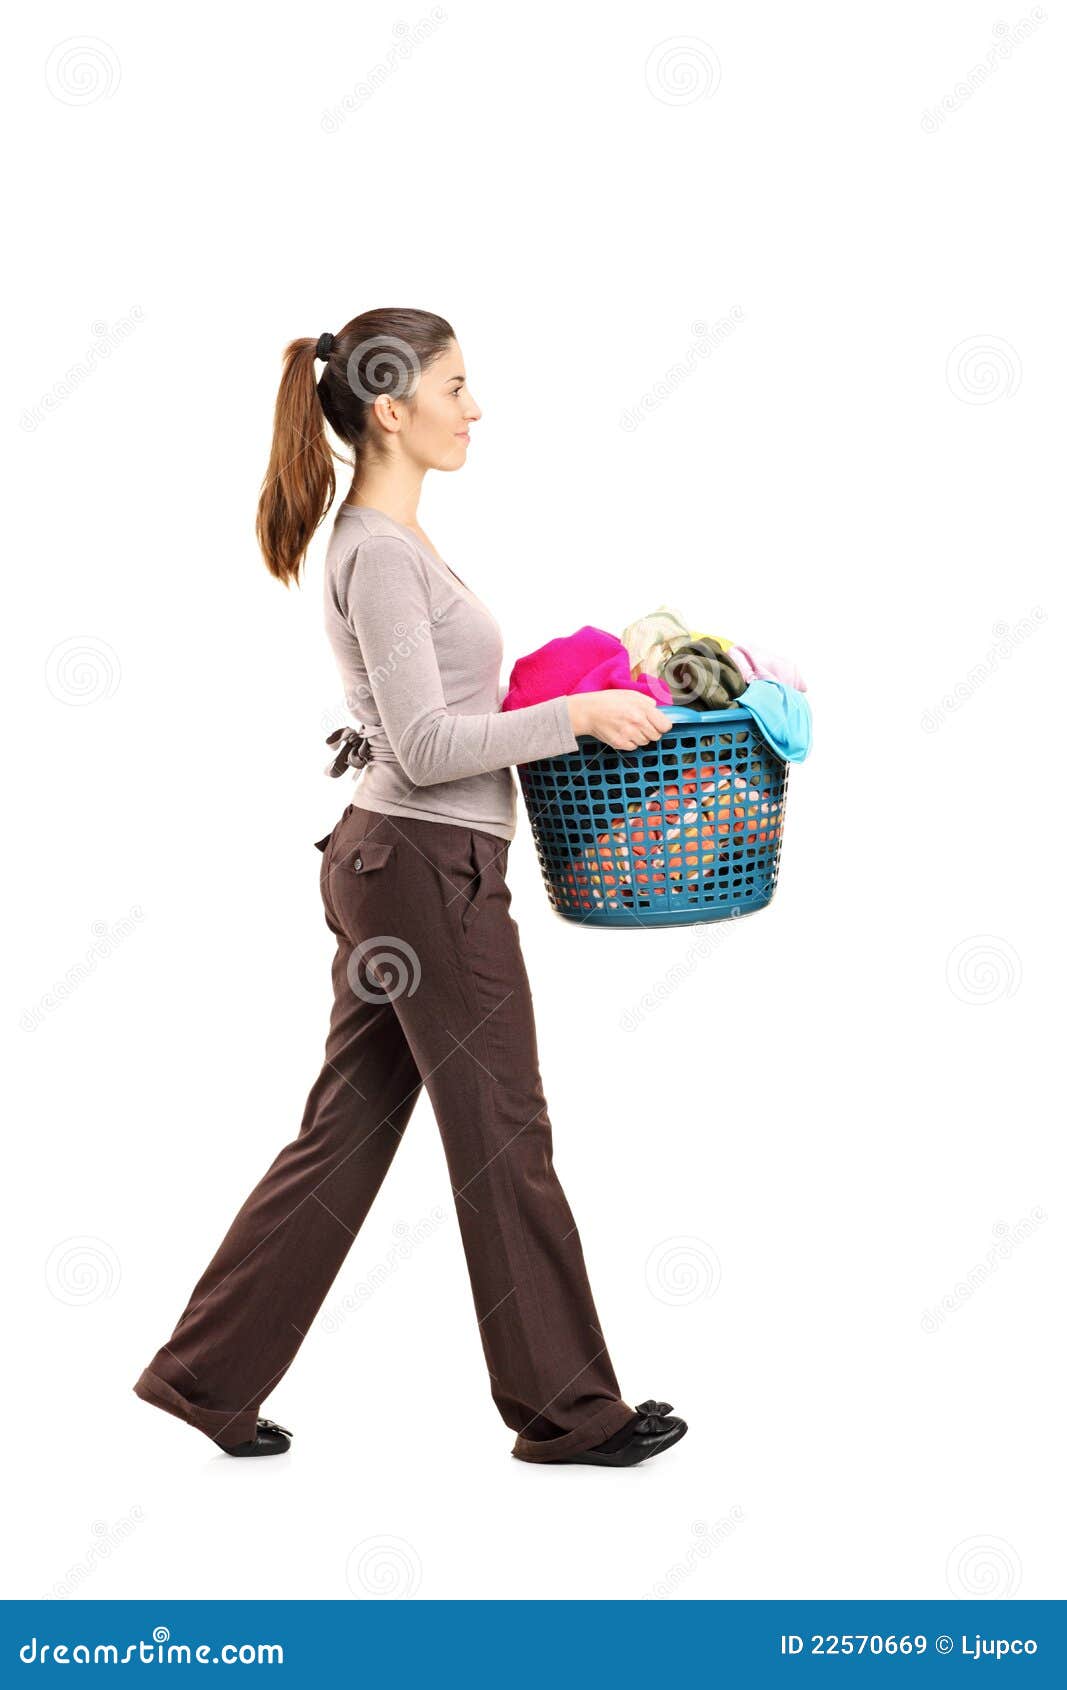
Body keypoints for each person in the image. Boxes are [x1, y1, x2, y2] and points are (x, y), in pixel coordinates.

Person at [131, 307, 685, 1467]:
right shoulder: (380, 549)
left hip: (402, 868)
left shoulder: (394, 542)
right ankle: (566, 1411)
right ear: (392, 406)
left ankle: (202, 1377)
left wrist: (556, 709)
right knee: (503, 1131)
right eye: (456, 385)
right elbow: (431, 745)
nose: (474, 408)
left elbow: (414, 721)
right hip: (426, 872)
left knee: (344, 1134)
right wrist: (574, 715)